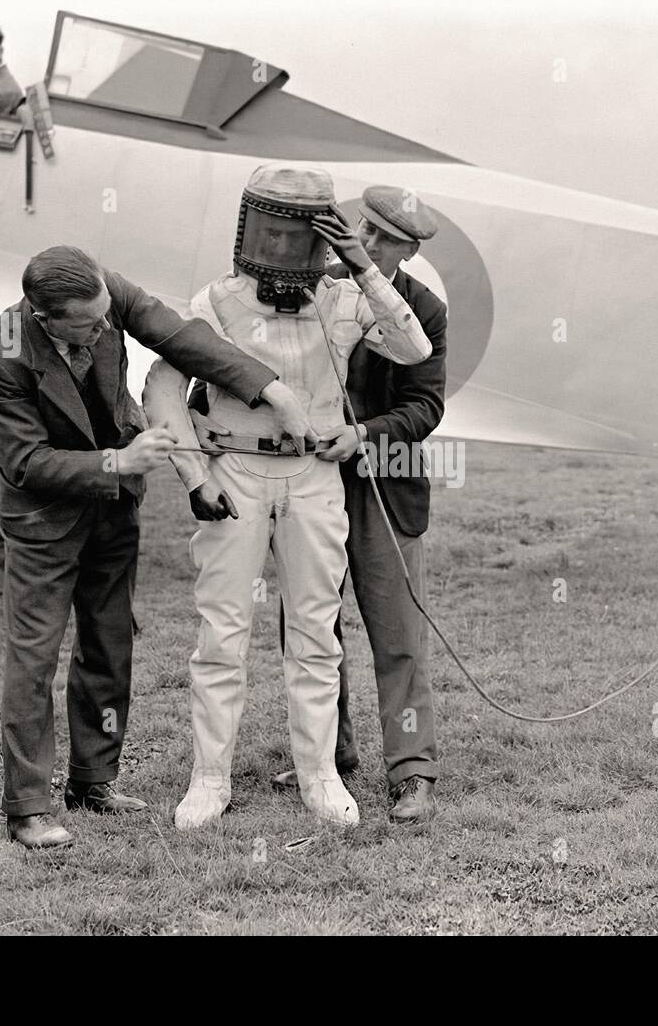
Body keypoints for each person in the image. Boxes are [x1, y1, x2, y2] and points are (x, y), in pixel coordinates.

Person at [0, 244, 314, 849]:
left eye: (109, 314)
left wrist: (271, 391)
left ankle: (93, 781)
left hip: (113, 507)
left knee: (108, 642)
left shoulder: (105, 291)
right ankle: (27, 807)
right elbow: (24, 462)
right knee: (34, 658)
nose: (107, 327)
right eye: (90, 323)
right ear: (44, 317)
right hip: (44, 519)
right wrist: (118, 459)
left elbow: (184, 338)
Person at [142, 164, 431, 830]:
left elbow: (413, 346)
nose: (285, 248)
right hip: (235, 470)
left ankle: (321, 774)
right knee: (222, 633)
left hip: (311, 478)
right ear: (250, 228)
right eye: (275, 230)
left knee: (314, 634)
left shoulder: (342, 298)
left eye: (299, 232)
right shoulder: (214, 302)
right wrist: (193, 475)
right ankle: (208, 778)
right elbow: (160, 384)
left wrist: (359, 263)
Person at [265, 186, 446, 823]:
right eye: (362, 228)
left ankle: (413, 771)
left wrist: (365, 434)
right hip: (309, 483)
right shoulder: (314, 288)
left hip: (383, 489)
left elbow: (427, 404)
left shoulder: (423, 309)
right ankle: (327, 756)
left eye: (383, 238)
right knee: (310, 627)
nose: (364, 243)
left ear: (409, 249)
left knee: (397, 637)